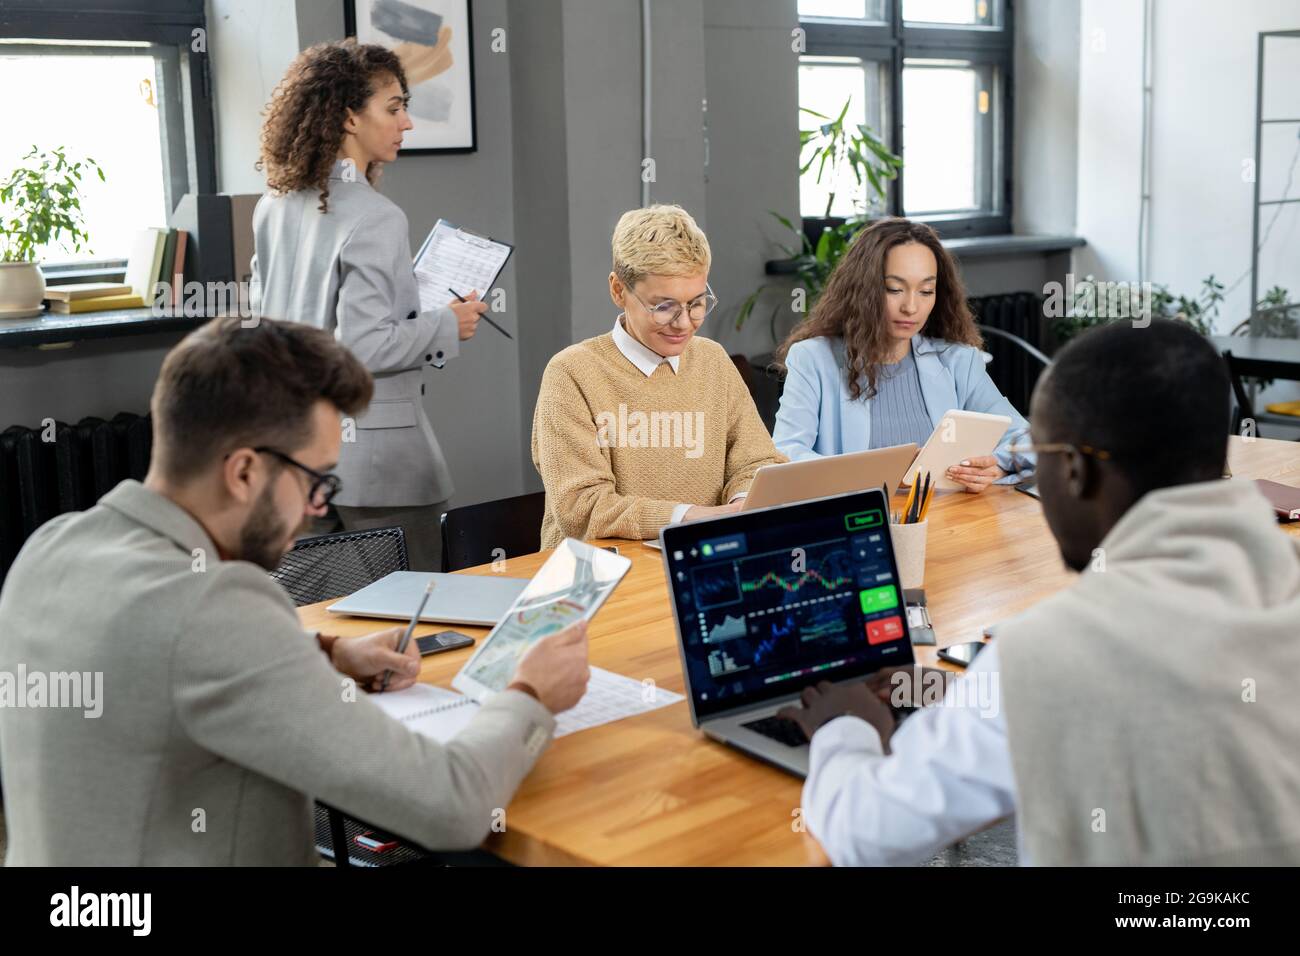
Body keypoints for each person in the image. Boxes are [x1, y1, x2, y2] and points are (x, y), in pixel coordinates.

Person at [0, 317, 589, 866]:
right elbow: (452, 807)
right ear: (244, 472)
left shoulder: (50, 546)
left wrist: (327, 657)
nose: (318, 507)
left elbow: (159, 665)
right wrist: (531, 693)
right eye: (317, 480)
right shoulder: (213, 605)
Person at [779, 318, 1300, 865]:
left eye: (1038, 454)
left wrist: (846, 725)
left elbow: (865, 834)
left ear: (1074, 472)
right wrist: (970, 696)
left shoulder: (1050, 653)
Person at [250, 40, 489, 570]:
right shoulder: (376, 216)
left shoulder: (273, 207)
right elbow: (363, 346)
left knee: (321, 627)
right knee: (412, 628)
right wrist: (447, 324)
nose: (406, 124)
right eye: (394, 108)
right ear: (349, 116)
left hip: (297, 454)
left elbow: (266, 331)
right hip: (382, 466)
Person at [531, 204, 786, 547]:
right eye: (664, 306)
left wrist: (742, 502)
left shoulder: (712, 360)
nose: (683, 323)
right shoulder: (571, 373)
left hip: (700, 555)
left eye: (697, 303)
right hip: (601, 572)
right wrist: (689, 517)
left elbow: (756, 460)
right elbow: (581, 509)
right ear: (618, 291)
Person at [772, 218, 1033, 493]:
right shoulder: (813, 359)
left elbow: (1029, 441)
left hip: (948, 523)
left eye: (926, 291)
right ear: (864, 290)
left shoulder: (958, 361)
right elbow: (785, 453)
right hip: (862, 522)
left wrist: (999, 465)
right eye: (895, 289)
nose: (911, 307)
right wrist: (880, 472)